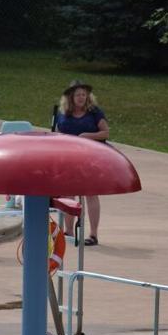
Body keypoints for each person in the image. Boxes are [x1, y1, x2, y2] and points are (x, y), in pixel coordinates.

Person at [51, 80, 110, 246]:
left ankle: (93, 234)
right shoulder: (63, 113)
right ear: (71, 97)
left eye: (84, 94)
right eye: (78, 94)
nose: (81, 97)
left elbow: (105, 132)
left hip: (91, 157)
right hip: (68, 157)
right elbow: (56, 134)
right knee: (68, 194)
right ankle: (68, 230)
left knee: (90, 193)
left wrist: (87, 136)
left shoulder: (94, 112)